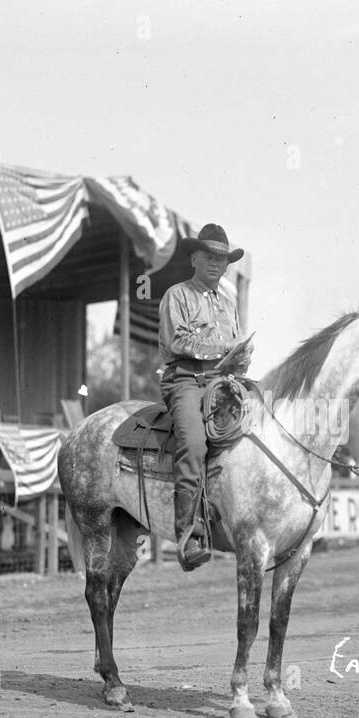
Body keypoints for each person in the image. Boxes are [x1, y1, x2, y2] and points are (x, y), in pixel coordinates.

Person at [157, 223, 250, 571]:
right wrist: (225, 348)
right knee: (194, 443)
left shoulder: (228, 304)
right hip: (185, 381)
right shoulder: (176, 295)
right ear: (194, 257)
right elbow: (177, 342)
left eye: (222, 259)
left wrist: (240, 357)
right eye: (209, 256)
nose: (216, 263)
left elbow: (237, 347)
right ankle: (190, 536)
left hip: (221, 381)